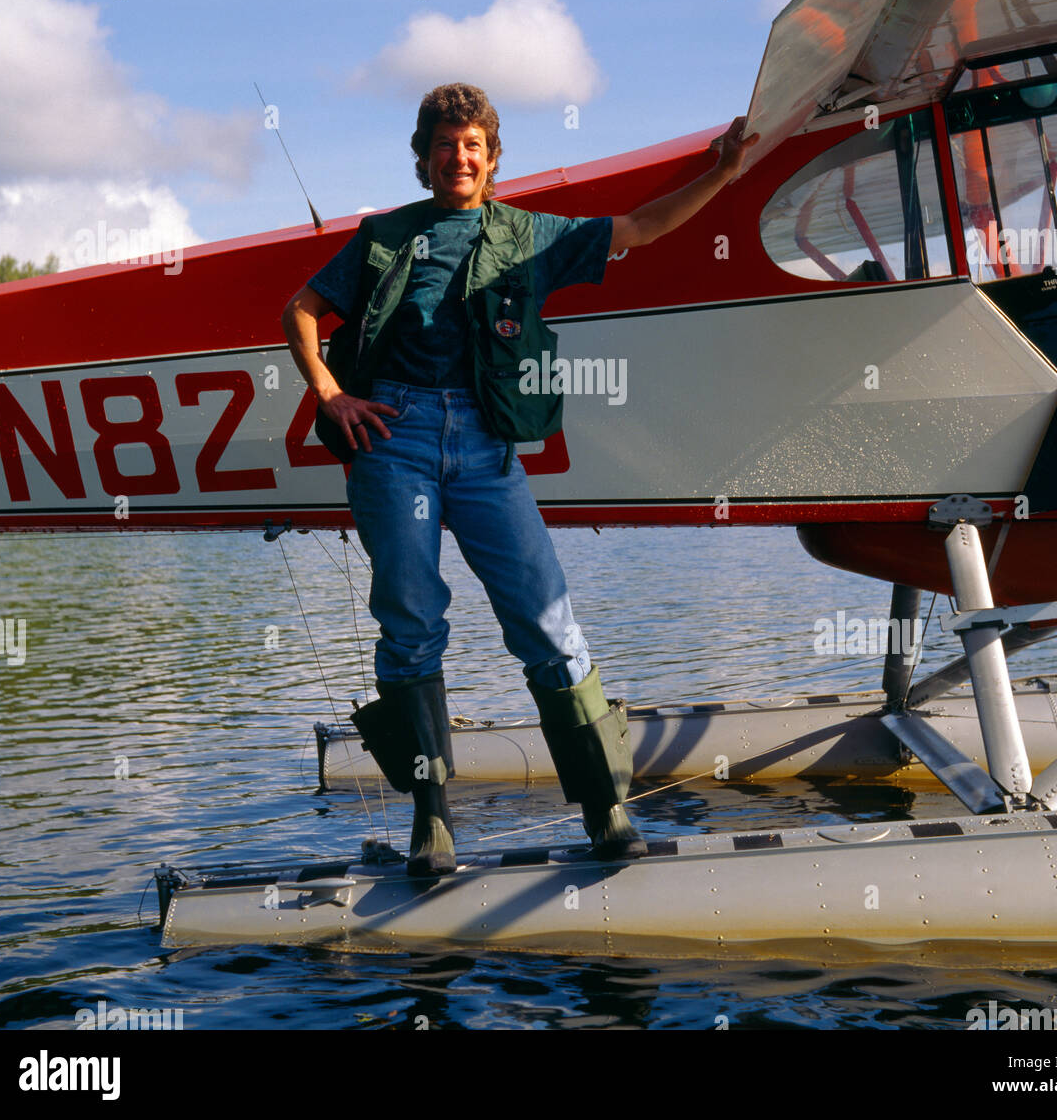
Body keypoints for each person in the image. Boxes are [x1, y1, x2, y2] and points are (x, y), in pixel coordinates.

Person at [282, 83, 755, 876]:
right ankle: (432, 817)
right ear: (424, 158)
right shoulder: (384, 236)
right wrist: (331, 394)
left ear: (491, 158)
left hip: (486, 444)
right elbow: (300, 309)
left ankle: (606, 806)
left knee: (546, 618)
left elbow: (637, 228)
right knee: (409, 619)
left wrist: (723, 173)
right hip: (394, 439)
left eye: (472, 144)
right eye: (443, 144)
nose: (457, 156)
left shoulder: (531, 234)